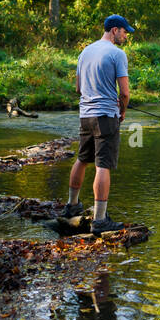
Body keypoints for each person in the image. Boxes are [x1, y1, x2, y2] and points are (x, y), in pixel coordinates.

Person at [64, 14, 134, 234]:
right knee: (103, 165)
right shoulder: (117, 54)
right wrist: (121, 111)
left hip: (85, 115)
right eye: (124, 31)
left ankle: (71, 206)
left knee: (82, 159)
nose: (125, 36)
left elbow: (78, 88)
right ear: (114, 30)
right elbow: (124, 92)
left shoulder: (85, 51)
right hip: (105, 117)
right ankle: (100, 219)